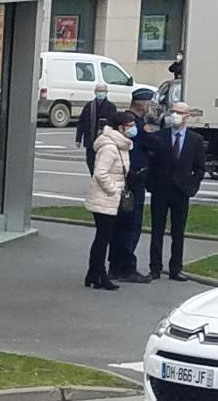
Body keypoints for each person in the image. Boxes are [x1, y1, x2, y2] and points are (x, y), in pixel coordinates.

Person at [149, 101, 206, 281]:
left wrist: (192, 187)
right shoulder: (160, 136)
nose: (175, 115)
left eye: (179, 112)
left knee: (178, 231)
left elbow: (199, 168)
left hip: (181, 191)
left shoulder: (195, 139)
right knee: (157, 230)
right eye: (173, 111)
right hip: (161, 189)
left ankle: (176, 268)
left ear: (187, 116)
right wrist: (151, 184)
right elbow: (152, 164)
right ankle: (155, 267)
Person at [108, 88, 157, 284]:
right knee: (131, 224)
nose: (150, 107)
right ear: (143, 104)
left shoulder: (129, 121)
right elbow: (152, 143)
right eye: (149, 103)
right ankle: (126, 266)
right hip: (133, 180)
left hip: (129, 179)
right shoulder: (133, 124)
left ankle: (115, 265)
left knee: (120, 225)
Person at [85, 112, 138, 291]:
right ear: (120, 127)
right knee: (103, 237)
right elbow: (100, 173)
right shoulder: (109, 147)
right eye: (130, 125)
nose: (133, 129)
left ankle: (94, 273)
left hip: (110, 199)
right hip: (105, 198)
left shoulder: (121, 145)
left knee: (104, 236)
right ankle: (99, 274)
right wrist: (114, 190)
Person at [76, 83, 117, 174]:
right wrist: (78, 139)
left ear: (106, 92)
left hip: (104, 141)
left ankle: (99, 181)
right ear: (95, 92)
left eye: (102, 91)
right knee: (90, 162)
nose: (100, 93)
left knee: (102, 164)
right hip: (90, 140)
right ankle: (94, 177)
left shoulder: (111, 107)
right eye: (99, 91)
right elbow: (81, 122)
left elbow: (114, 124)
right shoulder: (89, 106)